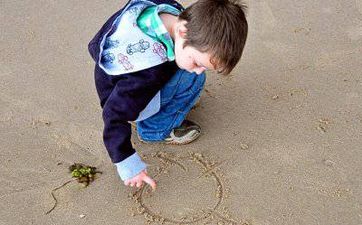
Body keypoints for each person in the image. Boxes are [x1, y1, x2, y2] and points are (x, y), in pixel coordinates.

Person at [88, 0, 248, 190]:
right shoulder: (147, 71)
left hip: (115, 79)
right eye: (198, 62)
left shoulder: (168, 10)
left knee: (186, 71)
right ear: (182, 31)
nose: (199, 69)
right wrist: (127, 163)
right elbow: (113, 115)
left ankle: (153, 109)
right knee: (192, 80)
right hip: (124, 97)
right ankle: (154, 129)